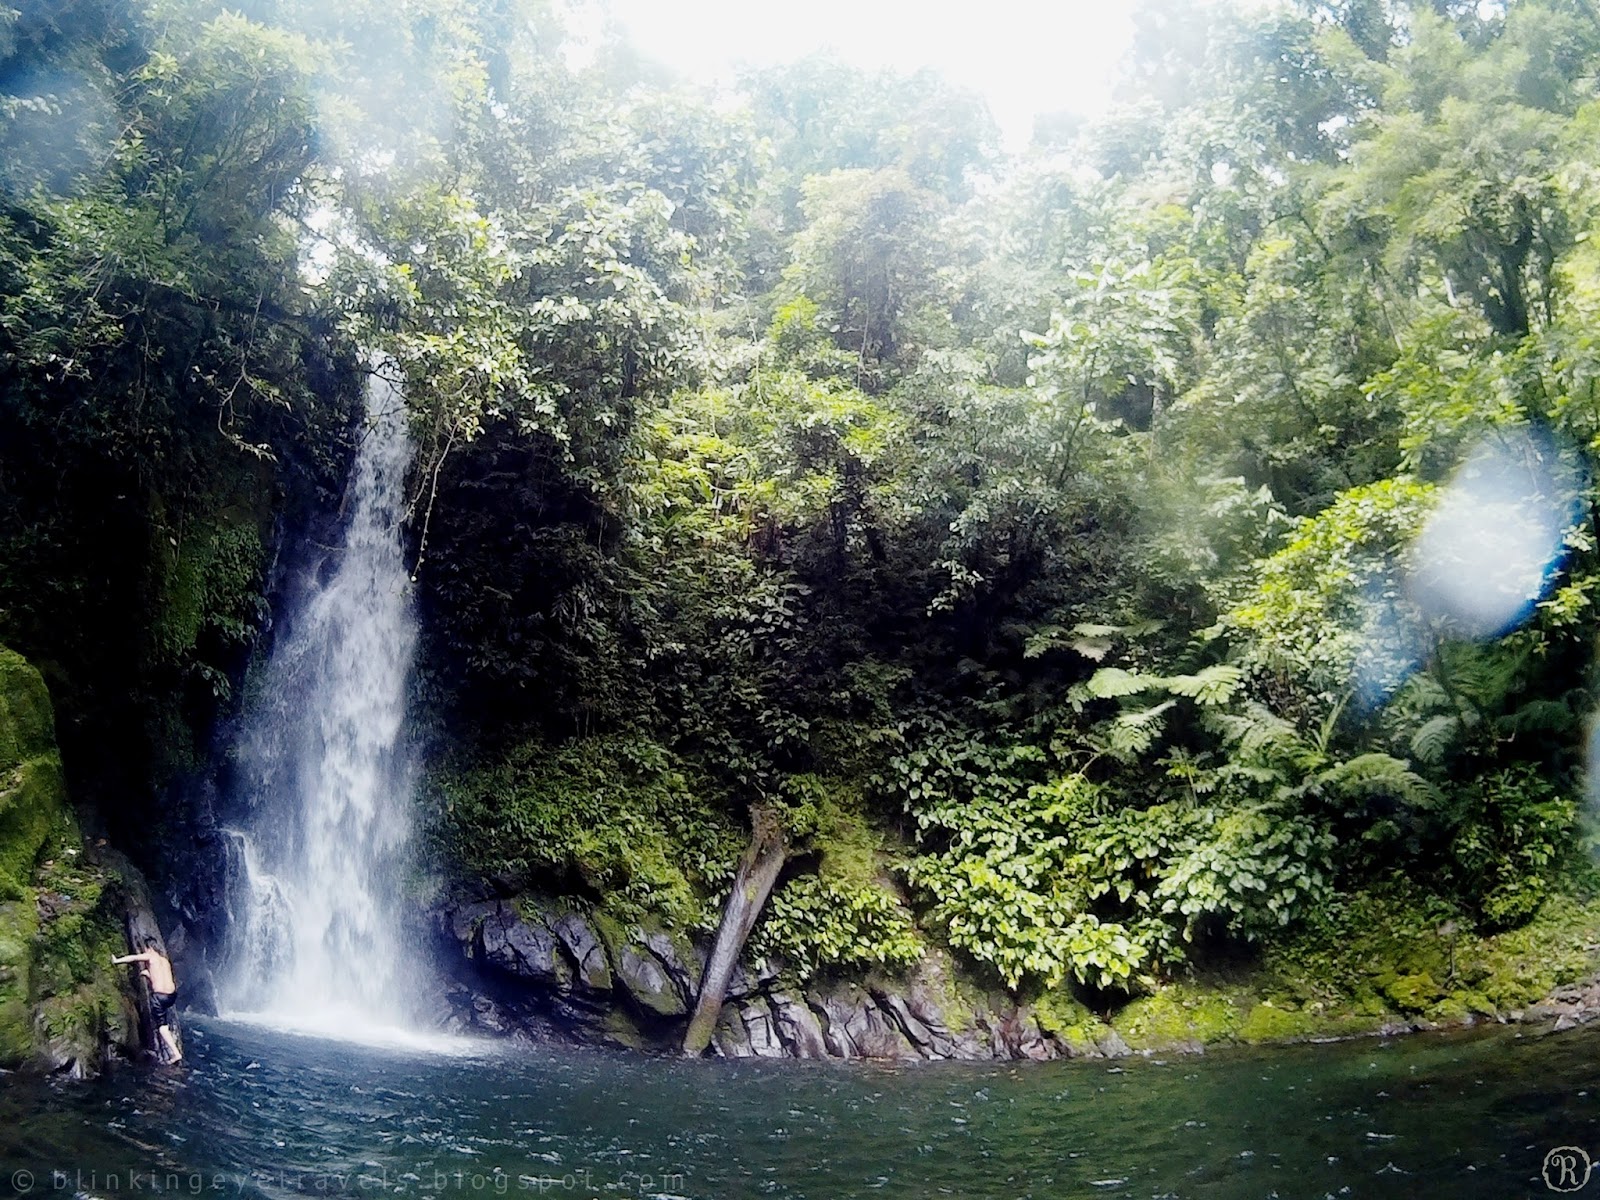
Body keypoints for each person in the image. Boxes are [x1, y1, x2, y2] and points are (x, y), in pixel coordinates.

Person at [113, 938, 182, 1063]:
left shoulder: (150, 956)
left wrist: (117, 960)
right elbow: (163, 977)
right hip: (172, 995)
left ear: (149, 948)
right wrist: (149, 975)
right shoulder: (164, 960)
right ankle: (172, 1037)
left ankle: (175, 1054)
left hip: (159, 997)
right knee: (163, 1017)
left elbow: (133, 958)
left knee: (162, 1027)